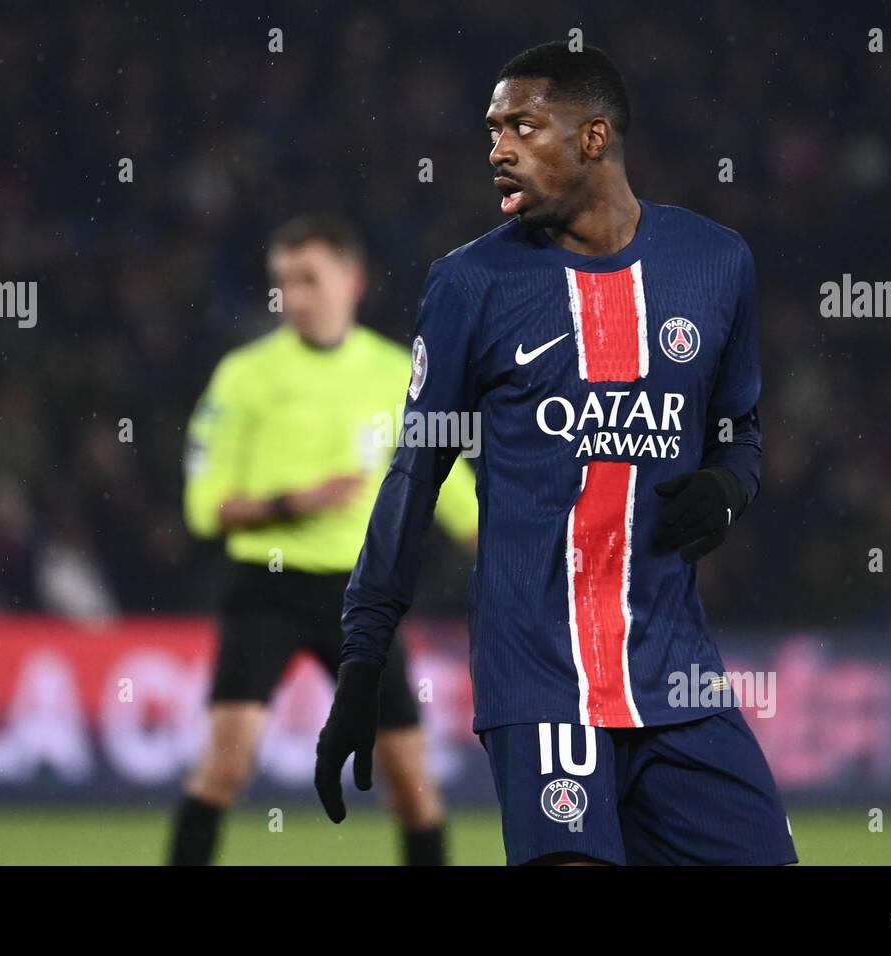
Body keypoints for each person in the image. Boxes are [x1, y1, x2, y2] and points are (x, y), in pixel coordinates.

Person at [315, 41, 798, 866]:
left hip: (677, 678)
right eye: (493, 130)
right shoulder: (472, 284)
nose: (497, 150)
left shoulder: (714, 263)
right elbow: (415, 472)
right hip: (540, 680)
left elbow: (739, 432)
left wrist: (726, 488)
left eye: (523, 127)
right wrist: (363, 656)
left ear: (594, 138)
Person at [170, 215, 478, 866]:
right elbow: (203, 508)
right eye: (282, 281)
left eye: (308, 279)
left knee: (413, 788)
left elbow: (451, 490)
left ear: (353, 281)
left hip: (363, 596)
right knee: (224, 769)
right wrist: (292, 504)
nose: (292, 296)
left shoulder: (399, 373)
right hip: (266, 591)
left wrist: (514, 547)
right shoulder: (244, 376)